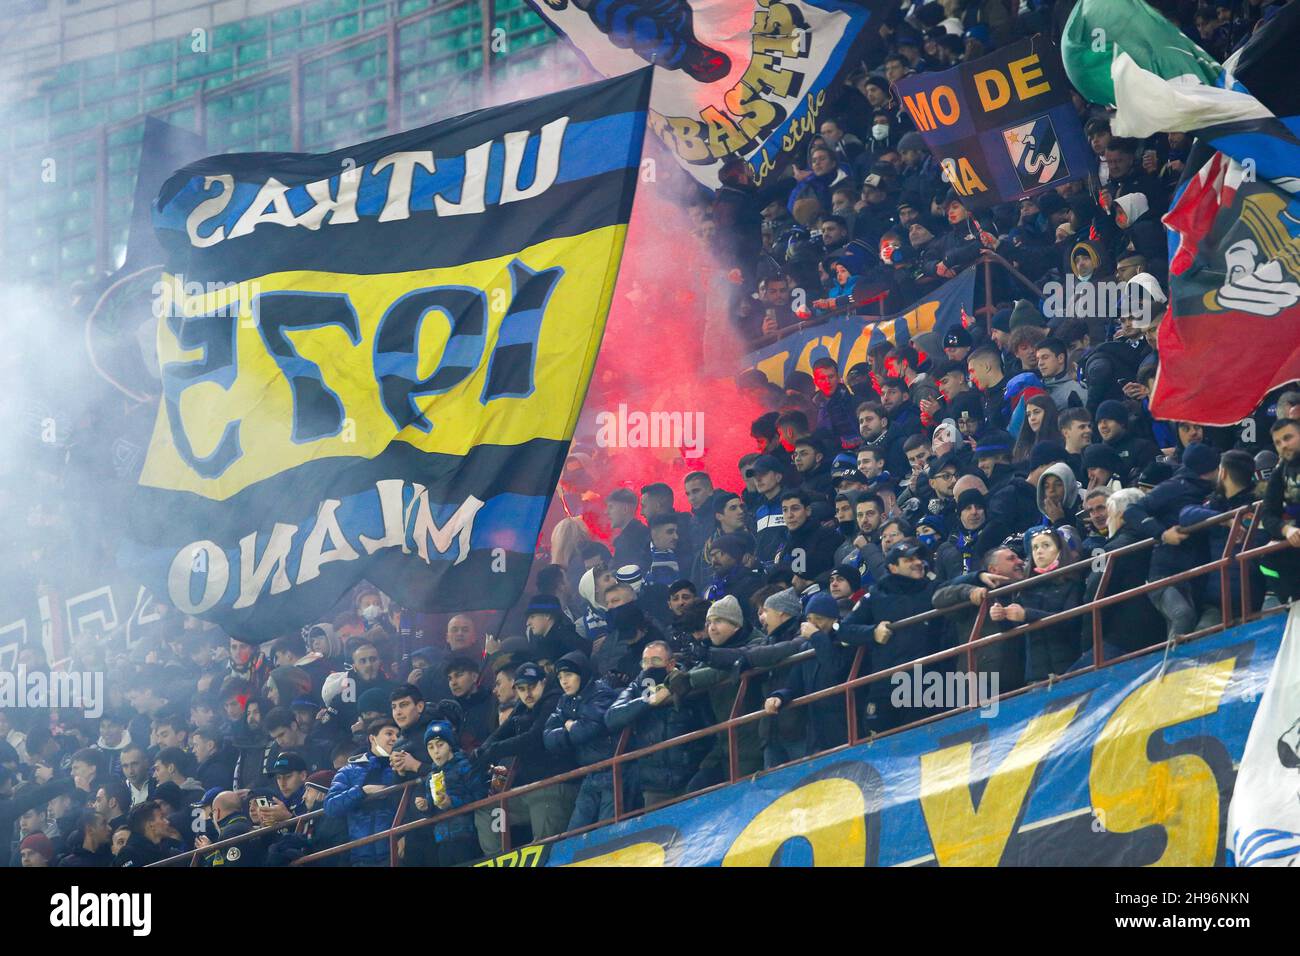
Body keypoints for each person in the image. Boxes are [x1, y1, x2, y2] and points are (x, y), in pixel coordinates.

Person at [472, 662, 578, 854]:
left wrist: (494, 750)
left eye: (532, 687)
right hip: (529, 790)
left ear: (543, 682)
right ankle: (498, 860)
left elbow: (534, 738)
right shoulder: (523, 705)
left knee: (545, 850)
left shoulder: (553, 700)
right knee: (487, 809)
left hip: (555, 785)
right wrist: (480, 753)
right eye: (521, 689)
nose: (527, 693)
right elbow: (500, 733)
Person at [1125, 442, 1221, 640]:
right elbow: (1131, 511)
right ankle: (1174, 667)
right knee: (1182, 615)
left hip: (1198, 576)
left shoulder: (1215, 492)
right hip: (1165, 573)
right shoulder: (1173, 487)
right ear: (1208, 468)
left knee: (1197, 624)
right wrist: (1162, 533)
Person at [605, 641, 713, 809]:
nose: (648, 667)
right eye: (645, 662)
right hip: (655, 788)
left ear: (670, 664)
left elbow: (710, 727)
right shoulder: (636, 688)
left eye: (655, 661)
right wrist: (649, 701)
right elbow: (611, 718)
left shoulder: (689, 680)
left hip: (691, 777)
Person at [543, 652, 623, 829]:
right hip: (590, 772)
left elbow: (587, 730)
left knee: (607, 829)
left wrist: (571, 728)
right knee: (575, 832)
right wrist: (570, 728)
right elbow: (548, 737)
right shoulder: (564, 700)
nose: (564, 681)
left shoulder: (601, 693)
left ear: (582, 674)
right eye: (560, 677)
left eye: (569, 675)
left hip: (614, 771)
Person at [323, 717, 404, 867]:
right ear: (372, 738)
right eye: (389, 733)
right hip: (360, 858)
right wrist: (361, 791)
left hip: (394, 852)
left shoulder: (403, 766)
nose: (394, 738)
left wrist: (404, 834)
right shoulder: (349, 770)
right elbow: (330, 806)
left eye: (398, 735)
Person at [411, 720, 485, 867]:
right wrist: (426, 806)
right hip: (442, 839)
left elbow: (480, 795)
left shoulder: (465, 766)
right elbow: (432, 809)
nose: (435, 751)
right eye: (430, 747)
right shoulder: (431, 777)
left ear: (450, 745)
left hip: (467, 835)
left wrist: (452, 802)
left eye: (440, 745)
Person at [1260, 418, 1300, 602]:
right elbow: (1267, 514)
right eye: (1278, 442)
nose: (1283, 445)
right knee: (1268, 557)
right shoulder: (1280, 471)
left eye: (1288, 438)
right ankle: (1292, 605)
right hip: (1296, 536)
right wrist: (1286, 529)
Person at [115, 800, 171, 867]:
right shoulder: (129, 854)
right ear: (151, 824)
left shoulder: (163, 850)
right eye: (162, 818)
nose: (167, 822)